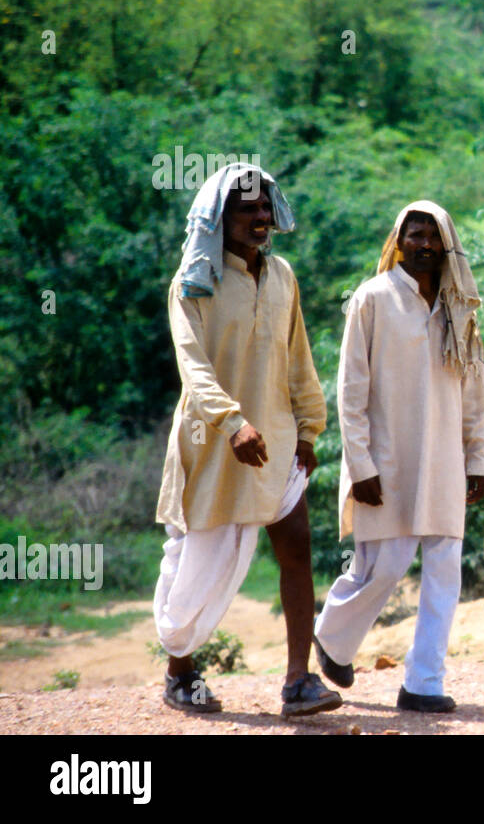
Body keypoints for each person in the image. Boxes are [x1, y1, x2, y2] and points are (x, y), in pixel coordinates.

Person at [153, 163, 341, 718]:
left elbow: (297, 358)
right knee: (199, 564)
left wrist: (309, 426)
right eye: (246, 208)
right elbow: (194, 366)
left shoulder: (282, 275)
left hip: (278, 439)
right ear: (220, 216)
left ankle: (298, 683)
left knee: (298, 545)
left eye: (265, 207)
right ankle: (179, 668)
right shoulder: (193, 282)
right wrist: (233, 424)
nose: (260, 217)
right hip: (212, 443)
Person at [313, 200, 484, 713]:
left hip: (444, 462)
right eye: (415, 235)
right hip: (386, 462)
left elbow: (476, 390)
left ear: (447, 246)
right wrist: (360, 466)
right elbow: (350, 393)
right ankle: (331, 637)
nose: (424, 245)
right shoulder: (371, 299)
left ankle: (424, 684)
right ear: (398, 240)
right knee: (384, 568)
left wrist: (480, 456)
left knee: (444, 571)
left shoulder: (460, 308)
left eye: (434, 237)